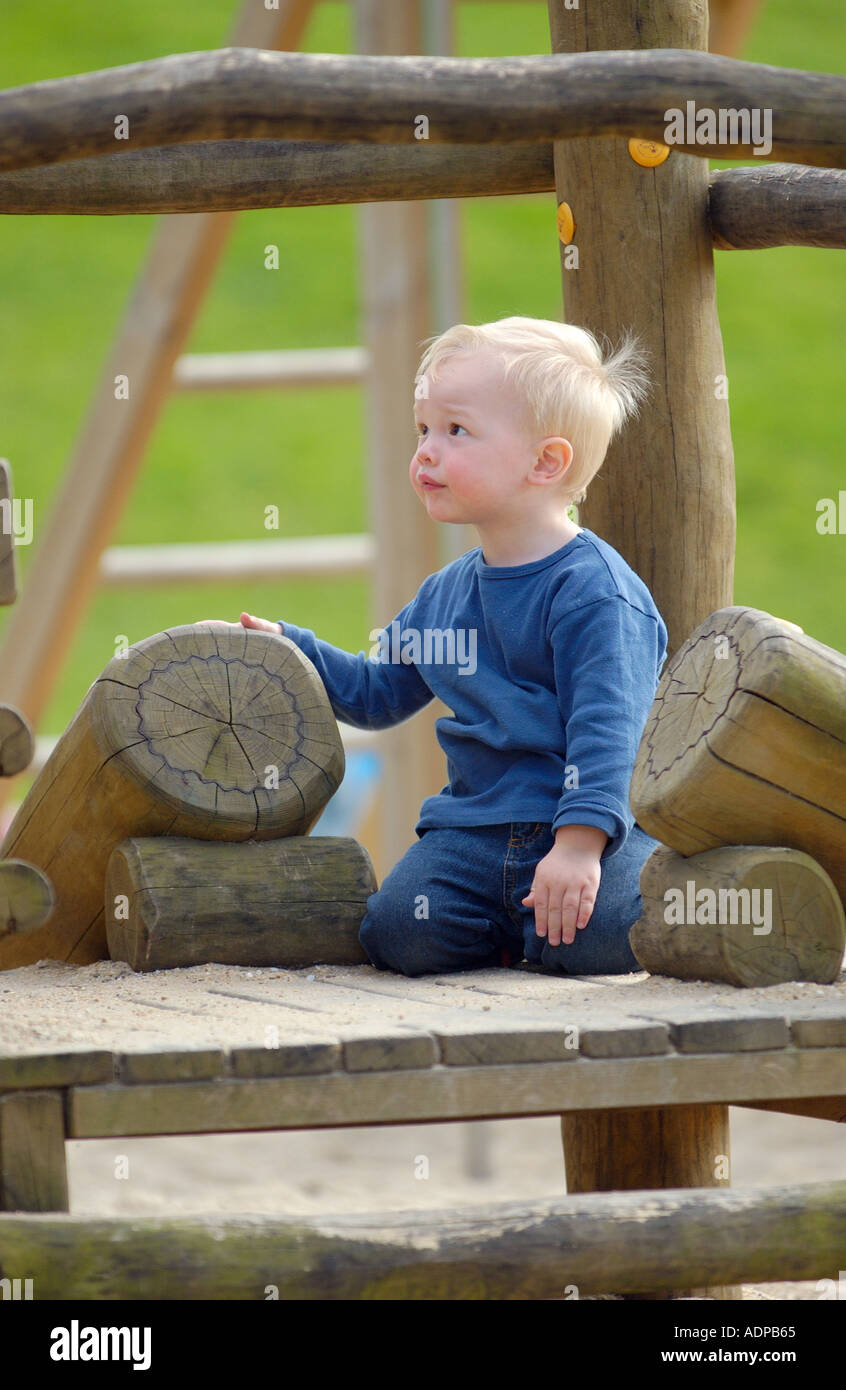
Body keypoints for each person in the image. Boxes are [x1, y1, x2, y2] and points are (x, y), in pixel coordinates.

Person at [199, 316, 668, 978]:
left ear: (545, 461)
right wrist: (293, 648)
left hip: (590, 830)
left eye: (456, 431)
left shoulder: (594, 593)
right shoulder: (446, 594)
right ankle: (522, 931)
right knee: (398, 932)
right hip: (474, 832)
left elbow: (609, 731)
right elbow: (376, 693)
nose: (425, 450)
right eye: (423, 429)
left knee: (611, 936)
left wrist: (578, 847)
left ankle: (564, 918)